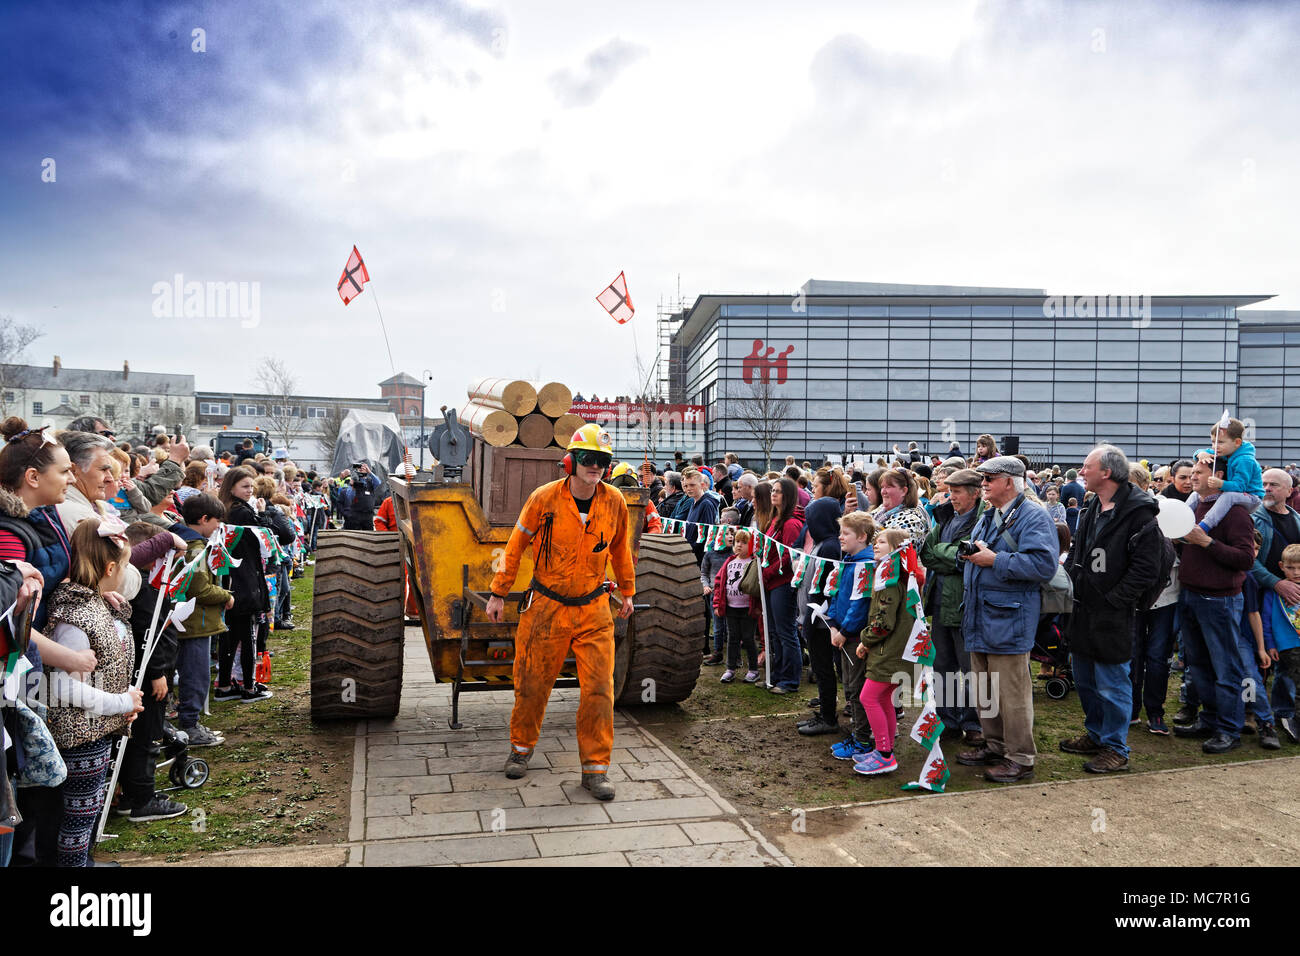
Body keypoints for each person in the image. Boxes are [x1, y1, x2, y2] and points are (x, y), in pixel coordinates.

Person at [485, 423, 635, 801]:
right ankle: (521, 749)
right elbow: (515, 545)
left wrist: (629, 591)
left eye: (601, 460)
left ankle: (595, 770)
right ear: (570, 461)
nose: (594, 467)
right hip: (546, 608)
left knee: (600, 689)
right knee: (532, 683)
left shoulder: (614, 501)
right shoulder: (544, 499)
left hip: (593, 608)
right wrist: (498, 592)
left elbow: (620, 551)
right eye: (587, 459)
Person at [45, 517, 146, 866]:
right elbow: (64, 686)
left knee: (89, 810)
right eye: (127, 565)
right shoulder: (76, 613)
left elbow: (108, 661)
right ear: (110, 566)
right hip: (79, 738)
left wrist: (124, 701)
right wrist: (121, 702)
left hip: (96, 730)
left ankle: (84, 863)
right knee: (78, 818)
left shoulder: (97, 603)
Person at [1059, 445, 1162, 773]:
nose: (1081, 471)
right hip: (1084, 608)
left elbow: (1146, 569)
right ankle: (1097, 734)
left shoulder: (1140, 513)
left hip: (1114, 614)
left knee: (1112, 680)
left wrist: (1116, 600)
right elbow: (1079, 550)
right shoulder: (1091, 505)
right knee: (1085, 676)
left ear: (1106, 472)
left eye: (1087, 466)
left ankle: (1116, 748)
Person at [956, 456, 1058, 782]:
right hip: (982, 615)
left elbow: (1043, 566)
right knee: (985, 688)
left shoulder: (1033, 516)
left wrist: (993, 560)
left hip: (1009, 618)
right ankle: (995, 744)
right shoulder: (990, 514)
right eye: (983, 477)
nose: (983, 482)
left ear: (1010, 482)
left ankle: (1021, 757)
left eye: (990, 477)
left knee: (1012, 694)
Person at [1172, 457, 1255, 753]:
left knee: (1225, 667)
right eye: (1191, 472)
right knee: (1199, 665)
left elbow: (1246, 559)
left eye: (1199, 472)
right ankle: (1209, 720)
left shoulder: (1235, 513)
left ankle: (1229, 730)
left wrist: (1207, 542)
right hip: (1192, 595)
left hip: (1219, 600)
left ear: (1218, 475)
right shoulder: (1194, 506)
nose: (1193, 477)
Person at [118, 521, 191, 822]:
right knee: (146, 738)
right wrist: (157, 672)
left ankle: (132, 794)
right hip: (148, 675)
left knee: (141, 735)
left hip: (145, 672)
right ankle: (142, 799)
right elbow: (148, 633)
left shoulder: (147, 583)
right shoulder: (146, 588)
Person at [919, 468, 986, 746]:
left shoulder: (983, 519)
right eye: (950, 491)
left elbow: (968, 556)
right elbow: (926, 552)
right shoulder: (945, 516)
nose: (951, 497)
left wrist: (951, 554)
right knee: (941, 667)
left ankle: (974, 723)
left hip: (965, 604)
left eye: (956, 492)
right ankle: (947, 720)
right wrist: (955, 554)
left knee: (970, 668)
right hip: (939, 601)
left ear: (974, 493)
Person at [851, 528, 918, 776]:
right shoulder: (895, 574)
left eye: (881, 542)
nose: (875, 545)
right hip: (896, 649)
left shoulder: (889, 579)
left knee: (868, 697)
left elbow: (883, 622)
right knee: (884, 699)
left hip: (888, 650)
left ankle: (885, 755)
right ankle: (885, 748)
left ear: (896, 547)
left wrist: (865, 640)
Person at [169, 493, 233, 747]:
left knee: (193, 674)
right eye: (217, 521)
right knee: (196, 676)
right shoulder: (194, 549)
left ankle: (191, 721)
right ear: (204, 519)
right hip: (196, 623)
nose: (219, 527)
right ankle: (190, 725)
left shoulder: (186, 541)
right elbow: (200, 588)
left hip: (190, 621)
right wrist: (226, 595)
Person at [214, 466, 273, 702]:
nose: (250, 491)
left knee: (230, 636)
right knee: (247, 637)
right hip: (245, 579)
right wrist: (263, 513)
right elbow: (267, 536)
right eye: (245, 487)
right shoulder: (243, 513)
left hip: (232, 577)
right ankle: (249, 686)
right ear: (232, 488)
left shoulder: (227, 510)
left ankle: (226, 685)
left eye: (252, 487)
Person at [1252, 468, 1300, 741]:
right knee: (1263, 655)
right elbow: (1250, 560)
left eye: (1274, 485)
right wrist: (1275, 582)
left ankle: (1285, 710)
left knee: (1289, 659)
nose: (1267, 489)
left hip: (1291, 604)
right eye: (1264, 484)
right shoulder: (1254, 519)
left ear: (1289, 490)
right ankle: (1260, 714)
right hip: (1262, 596)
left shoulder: (1296, 520)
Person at [826, 512, 877, 760]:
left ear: (862, 536)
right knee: (848, 686)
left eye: (845, 533)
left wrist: (845, 631)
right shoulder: (848, 560)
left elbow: (860, 602)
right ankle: (858, 733)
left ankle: (863, 739)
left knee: (857, 689)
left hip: (854, 637)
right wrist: (834, 624)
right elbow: (837, 594)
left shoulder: (865, 565)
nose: (840, 537)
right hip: (843, 633)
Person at [795, 489, 844, 736]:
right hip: (811, 617)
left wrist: (813, 619)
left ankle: (828, 718)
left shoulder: (830, 547)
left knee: (824, 669)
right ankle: (825, 711)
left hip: (821, 620)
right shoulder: (821, 544)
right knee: (819, 666)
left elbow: (825, 587)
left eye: (812, 519)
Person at [1238, 531, 1281, 747]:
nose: (1252, 553)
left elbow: (1253, 614)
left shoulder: (1250, 579)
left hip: (1245, 636)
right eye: (1249, 547)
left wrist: (1262, 648)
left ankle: (1266, 722)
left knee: (1250, 676)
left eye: (1256, 549)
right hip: (1221, 633)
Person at [1185, 418, 1263, 534]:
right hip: (1236, 493)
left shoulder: (1245, 460)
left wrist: (1221, 484)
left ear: (1237, 442)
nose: (1215, 447)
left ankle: (1204, 526)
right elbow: (1199, 452)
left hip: (1252, 497)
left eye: (1220, 442)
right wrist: (1201, 454)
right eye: (1213, 442)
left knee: (1228, 496)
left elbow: (1240, 487)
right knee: (1196, 494)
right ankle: (1183, 517)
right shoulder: (1227, 451)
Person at [713, 528, 760, 684]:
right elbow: (719, 582)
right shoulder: (730, 562)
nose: (739, 545)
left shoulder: (754, 562)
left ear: (752, 545)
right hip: (731, 607)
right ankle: (730, 669)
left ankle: (753, 670)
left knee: (748, 638)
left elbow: (758, 587)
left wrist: (758, 607)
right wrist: (717, 604)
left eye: (744, 542)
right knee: (732, 638)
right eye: (737, 541)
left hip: (747, 608)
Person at [701, 510, 739, 665]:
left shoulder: (736, 554)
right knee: (717, 627)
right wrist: (705, 586)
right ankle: (717, 653)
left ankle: (734, 656)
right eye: (727, 534)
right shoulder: (710, 554)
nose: (730, 536)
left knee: (732, 628)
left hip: (732, 595)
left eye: (732, 533)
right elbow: (703, 572)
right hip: (715, 594)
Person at [338, 462, 381, 530]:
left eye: (363, 468)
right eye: (359, 468)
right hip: (356, 514)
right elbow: (349, 496)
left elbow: (378, 482)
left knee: (368, 535)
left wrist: (369, 472)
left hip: (368, 514)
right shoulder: (354, 481)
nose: (361, 469)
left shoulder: (369, 481)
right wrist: (353, 484)